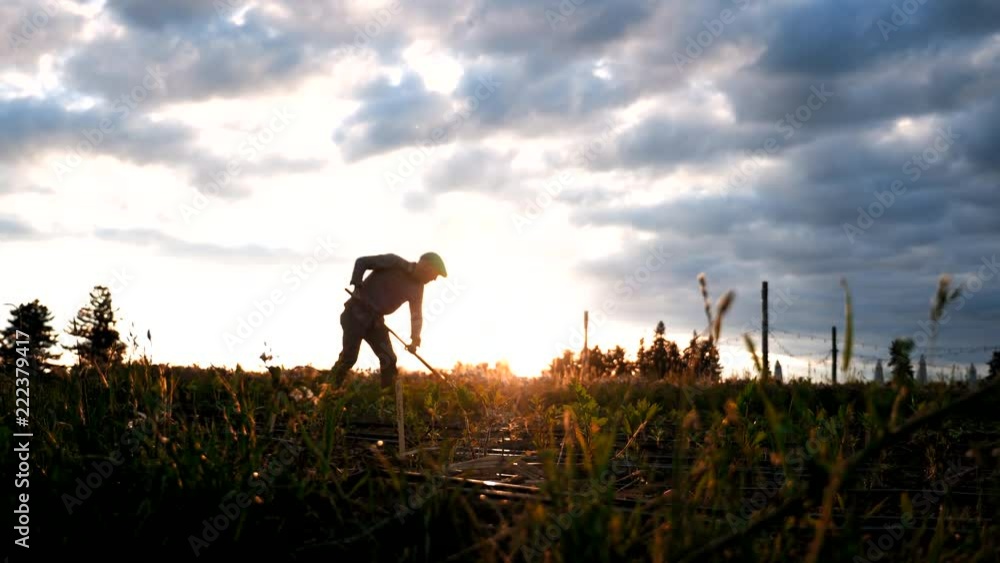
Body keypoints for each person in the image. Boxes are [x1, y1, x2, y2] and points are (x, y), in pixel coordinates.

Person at [330, 252, 447, 388]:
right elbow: (361, 262)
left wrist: (415, 340)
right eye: (435, 274)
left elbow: (416, 315)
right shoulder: (394, 262)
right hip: (356, 313)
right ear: (427, 266)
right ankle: (328, 390)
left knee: (389, 359)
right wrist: (357, 284)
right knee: (349, 358)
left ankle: (387, 399)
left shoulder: (417, 288)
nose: (434, 279)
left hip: (375, 322)